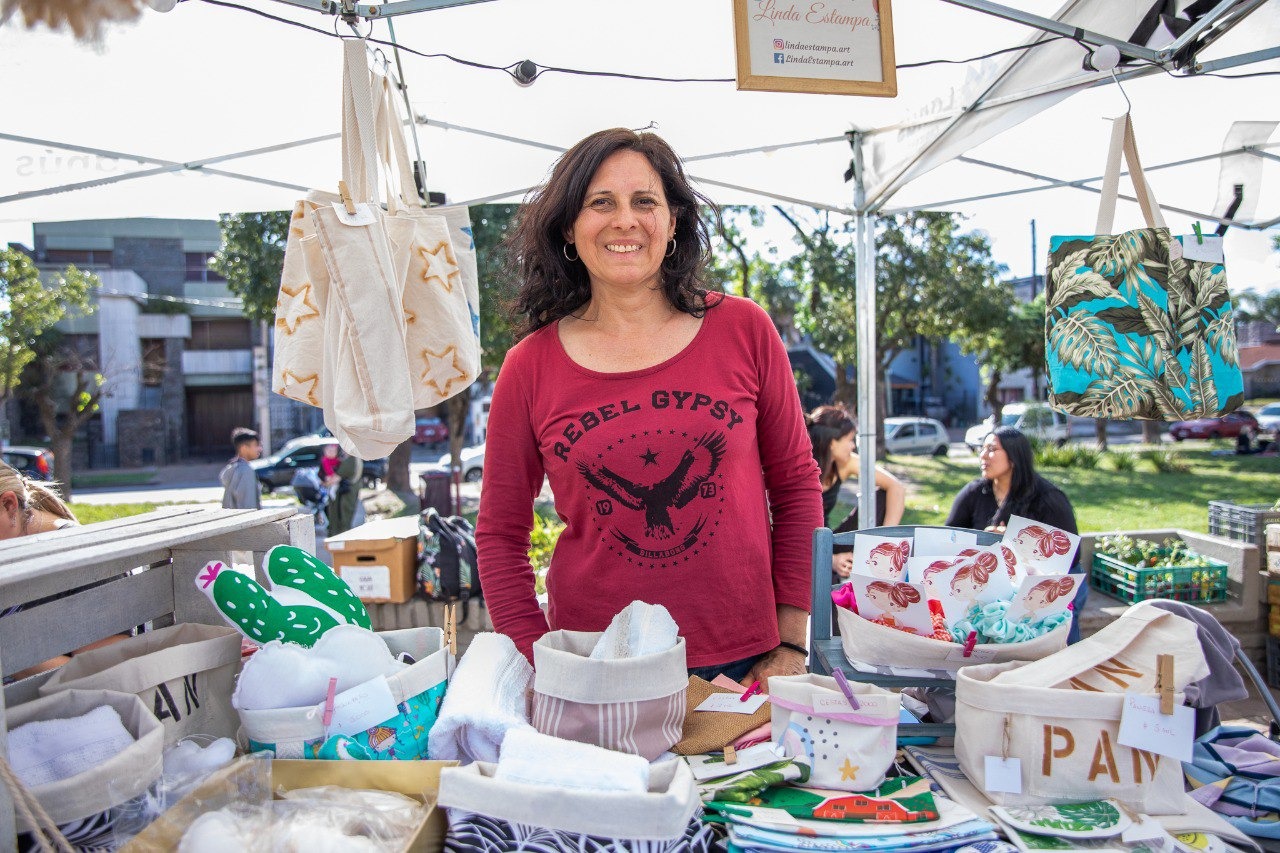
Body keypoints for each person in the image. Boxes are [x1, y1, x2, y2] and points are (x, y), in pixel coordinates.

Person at [475, 127, 824, 686]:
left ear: (673, 220)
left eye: (644, 201)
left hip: (747, 667)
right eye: (600, 203)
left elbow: (797, 486)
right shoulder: (528, 366)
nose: (625, 221)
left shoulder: (745, 329)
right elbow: (499, 535)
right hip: (596, 670)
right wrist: (535, 664)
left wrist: (790, 642)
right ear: (568, 227)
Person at [945, 425, 1085, 641]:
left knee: (1058, 632)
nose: (983, 455)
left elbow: (1072, 556)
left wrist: (1014, 546)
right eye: (983, 448)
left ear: (1014, 457)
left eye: (992, 449)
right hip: (988, 581)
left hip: (1043, 583)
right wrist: (986, 542)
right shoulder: (974, 493)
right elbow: (948, 538)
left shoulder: (1048, 498)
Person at [806, 405, 906, 578]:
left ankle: (875, 561)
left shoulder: (845, 463)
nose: (853, 446)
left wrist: (886, 543)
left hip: (828, 539)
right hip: (803, 546)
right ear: (832, 443)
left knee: (881, 497)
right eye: (850, 439)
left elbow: (896, 488)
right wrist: (830, 560)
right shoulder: (802, 466)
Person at [220, 427, 262, 510]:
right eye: (256, 445)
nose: (260, 449)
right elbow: (248, 506)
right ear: (244, 448)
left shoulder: (232, 467)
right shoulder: (246, 471)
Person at [327, 449, 364, 538]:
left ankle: (341, 539)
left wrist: (324, 482)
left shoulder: (350, 461)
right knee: (346, 517)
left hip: (347, 493)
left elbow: (335, 478)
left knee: (343, 519)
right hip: (350, 492)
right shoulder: (356, 459)